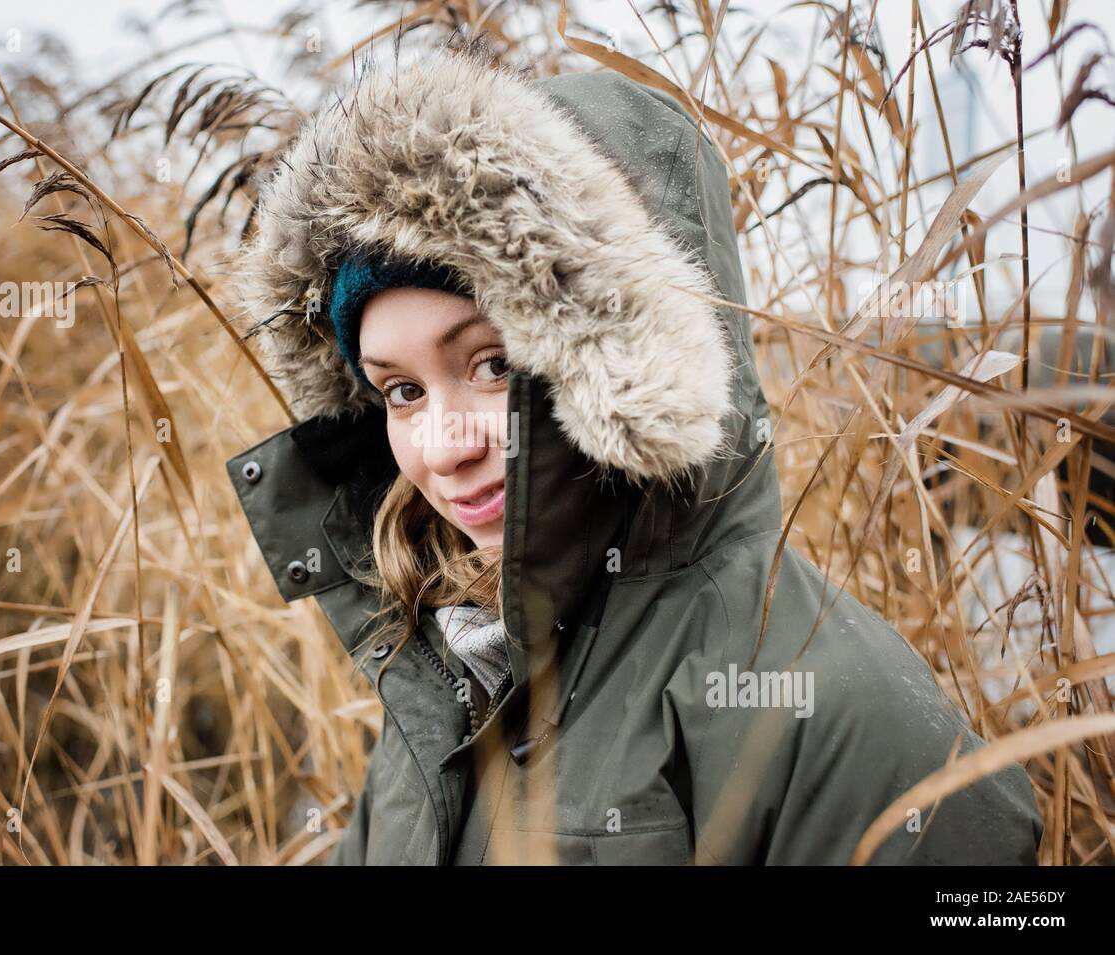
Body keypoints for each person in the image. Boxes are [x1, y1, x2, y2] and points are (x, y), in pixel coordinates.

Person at [226, 44, 1043, 864]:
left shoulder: (841, 712)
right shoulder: (452, 664)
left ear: (624, 350)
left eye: (494, 364)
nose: (442, 447)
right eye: (402, 391)